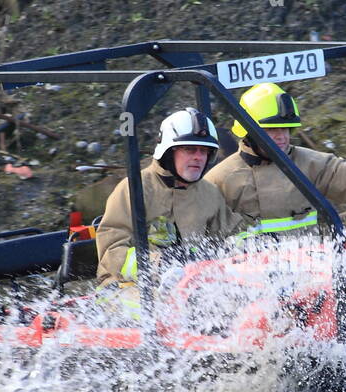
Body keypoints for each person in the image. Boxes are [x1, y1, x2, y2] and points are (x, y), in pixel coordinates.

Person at [205, 82, 346, 240]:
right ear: (248, 132)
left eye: (286, 129)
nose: (282, 136)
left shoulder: (309, 163)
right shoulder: (219, 180)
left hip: (311, 278)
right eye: (272, 129)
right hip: (248, 285)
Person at [95, 108, 244, 286]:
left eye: (204, 151)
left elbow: (233, 235)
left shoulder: (209, 193)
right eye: (189, 149)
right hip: (127, 288)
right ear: (168, 151)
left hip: (188, 288)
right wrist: (160, 265)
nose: (198, 157)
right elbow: (111, 251)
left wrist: (248, 246)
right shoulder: (134, 189)